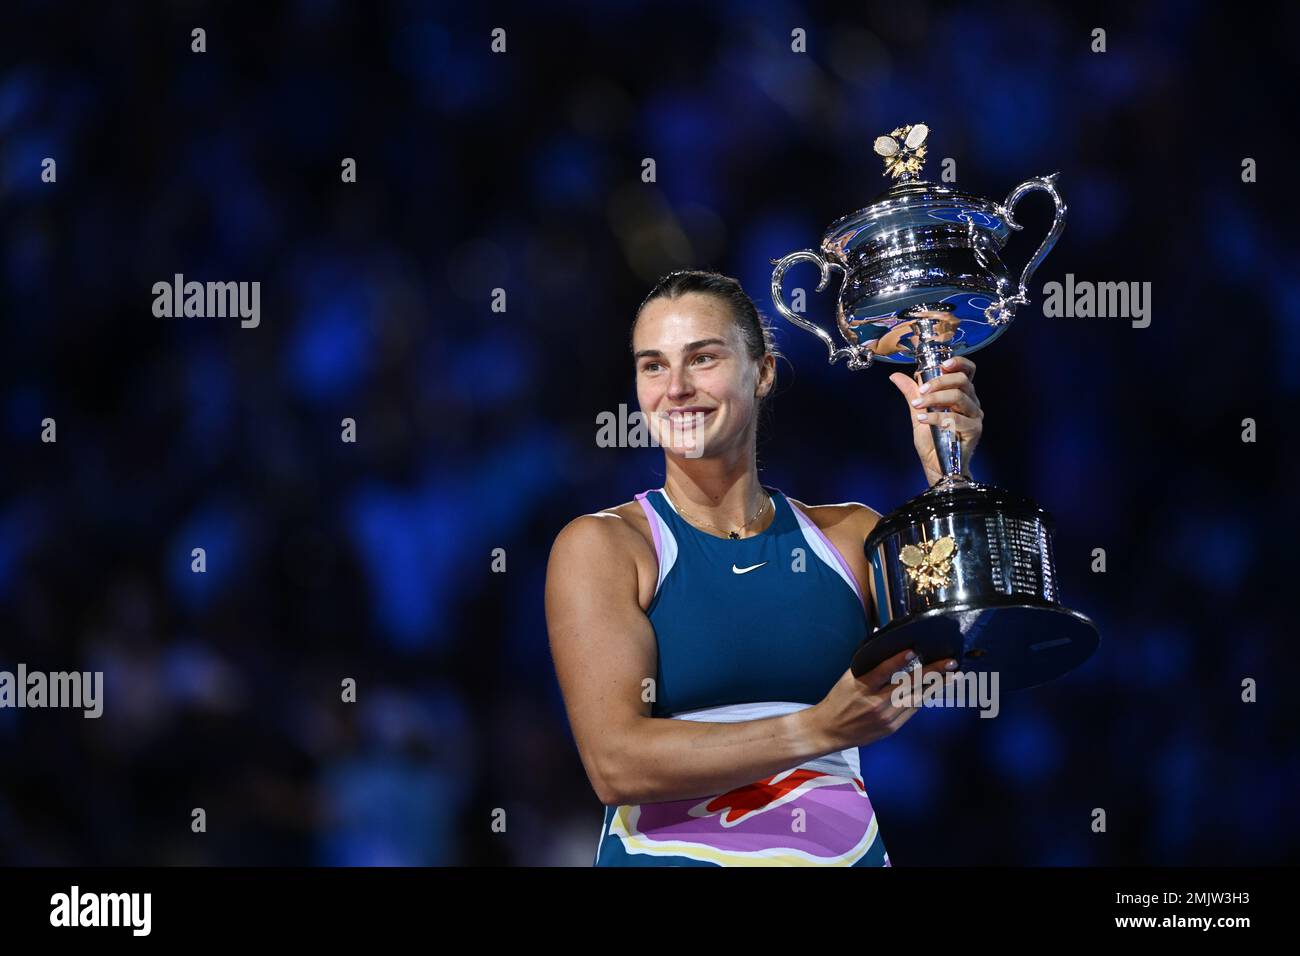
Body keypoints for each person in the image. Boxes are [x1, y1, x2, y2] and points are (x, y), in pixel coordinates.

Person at [544, 270, 984, 866]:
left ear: (764, 372)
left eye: (702, 359)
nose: (674, 388)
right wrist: (818, 730)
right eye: (653, 365)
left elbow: (969, 652)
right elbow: (615, 763)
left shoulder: (851, 534)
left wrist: (948, 481)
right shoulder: (606, 546)